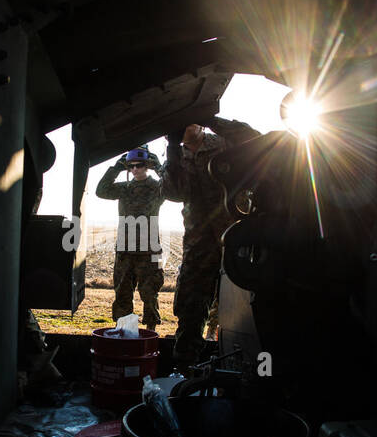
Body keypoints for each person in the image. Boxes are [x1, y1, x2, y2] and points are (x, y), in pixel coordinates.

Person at [161, 118, 257, 369]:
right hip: (198, 244)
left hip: (238, 238)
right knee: (190, 307)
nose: (184, 125)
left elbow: (256, 141)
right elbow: (173, 193)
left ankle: (252, 368)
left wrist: (213, 120)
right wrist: (171, 148)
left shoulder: (224, 141)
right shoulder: (175, 155)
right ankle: (184, 369)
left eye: (190, 119)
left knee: (249, 305)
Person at [94, 146, 166, 331]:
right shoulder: (124, 188)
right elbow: (101, 190)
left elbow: (173, 186)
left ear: (147, 165)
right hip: (125, 250)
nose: (135, 169)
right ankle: (124, 334)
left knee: (149, 294)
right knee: (123, 295)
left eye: (140, 165)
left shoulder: (157, 187)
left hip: (149, 250)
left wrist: (159, 166)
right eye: (131, 166)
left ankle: (151, 334)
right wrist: (117, 167)